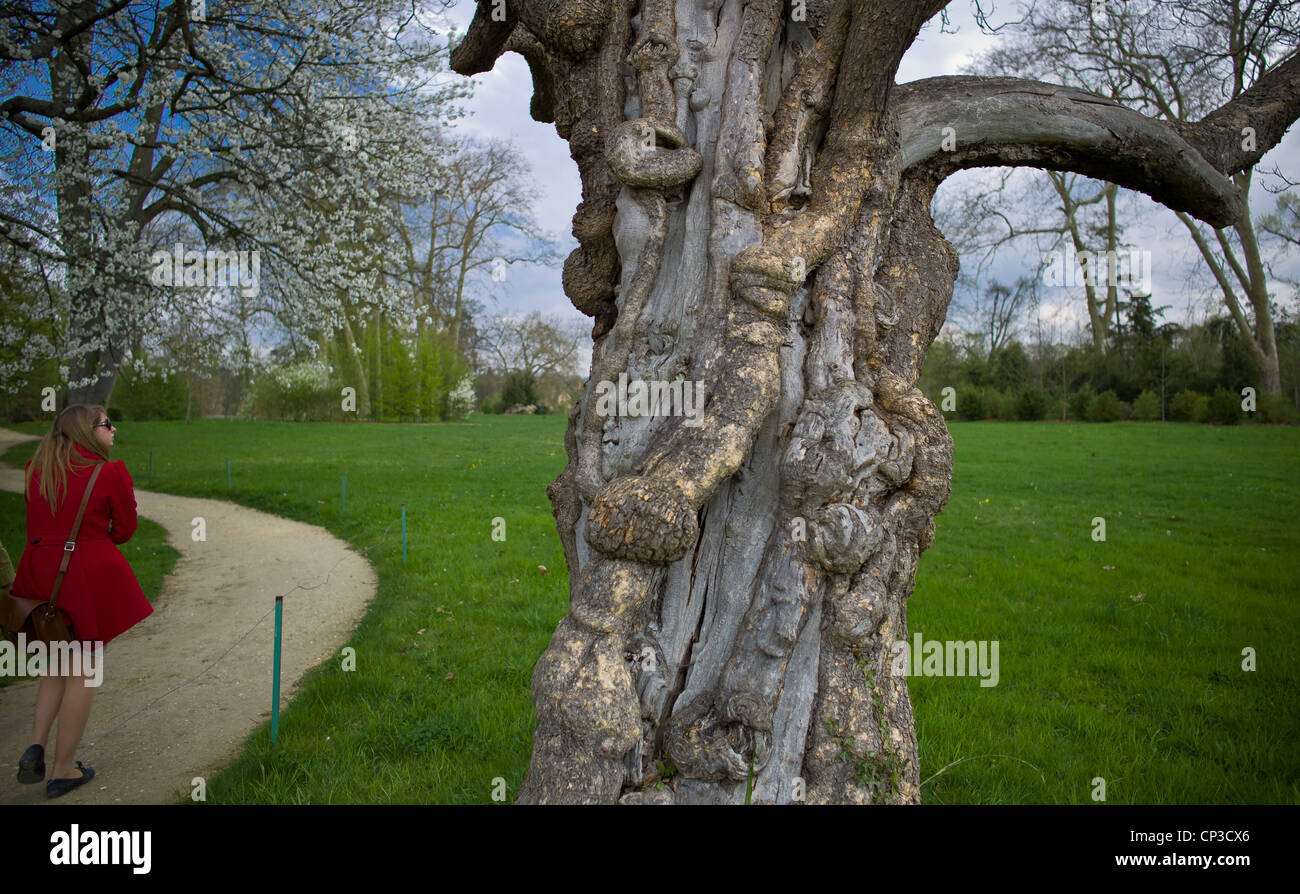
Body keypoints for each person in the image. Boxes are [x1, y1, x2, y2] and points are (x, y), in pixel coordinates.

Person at [10, 405, 152, 798]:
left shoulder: (37, 472)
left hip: (41, 578)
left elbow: (38, 524)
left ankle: (35, 746)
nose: (114, 429)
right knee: (84, 671)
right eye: (107, 424)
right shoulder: (109, 473)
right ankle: (63, 768)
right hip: (84, 578)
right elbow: (124, 530)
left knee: (57, 665)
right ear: (87, 431)